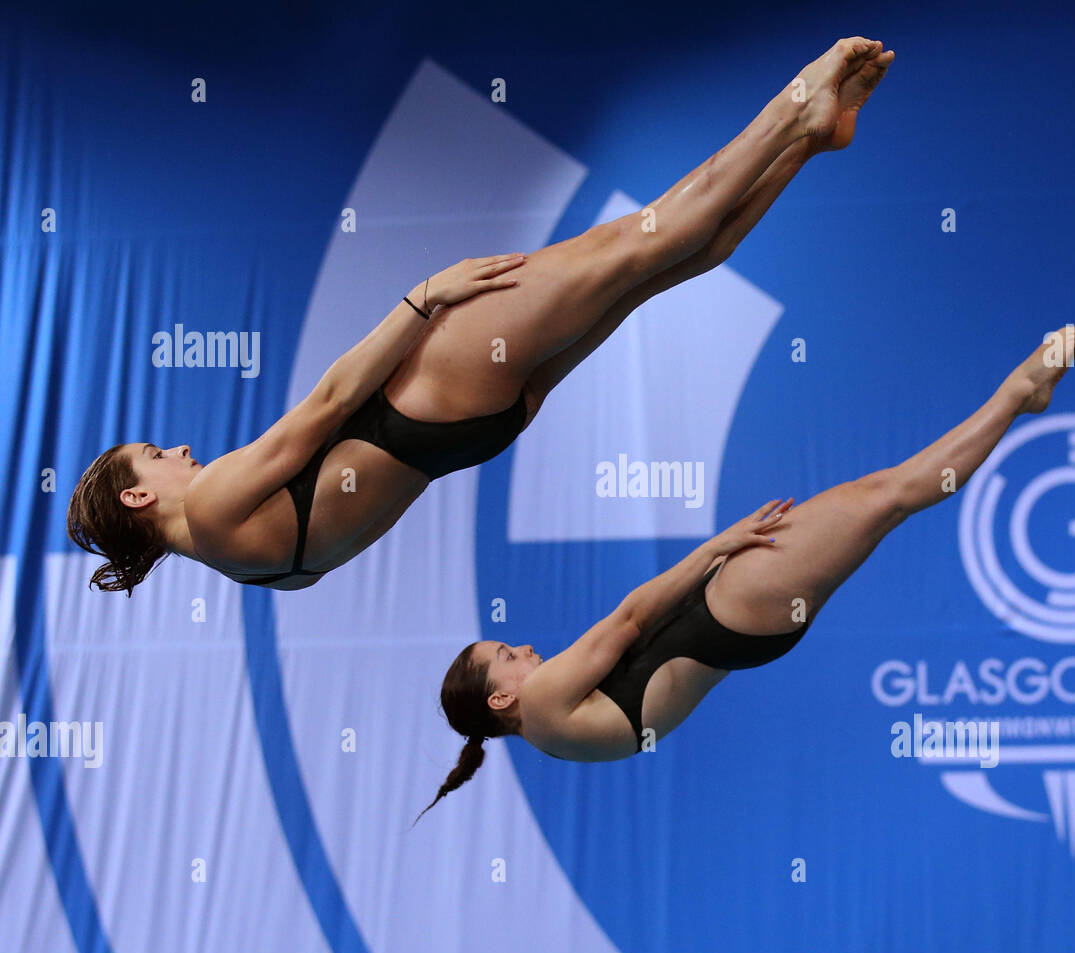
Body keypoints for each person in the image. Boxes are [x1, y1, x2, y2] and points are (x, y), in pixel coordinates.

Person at [67, 37, 895, 592]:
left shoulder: (252, 575)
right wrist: (423, 301)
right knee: (644, 241)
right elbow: (321, 410)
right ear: (140, 500)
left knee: (660, 272)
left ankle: (808, 143)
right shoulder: (208, 504)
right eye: (155, 455)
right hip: (439, 387)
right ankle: (796, 103)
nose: (177, 448)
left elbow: (352, 506)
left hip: (474, 432)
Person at [421, 326, 1075, 818]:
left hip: (735, 628)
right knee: (891, 493)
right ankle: (1017, 394)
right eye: (506, 654)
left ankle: (1015, 400)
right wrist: (719, 545)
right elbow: (629, 619)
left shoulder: (551, 737)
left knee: (887, 502)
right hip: (726, 613)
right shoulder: (539, 705)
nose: (525, 647)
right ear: (500, 698)